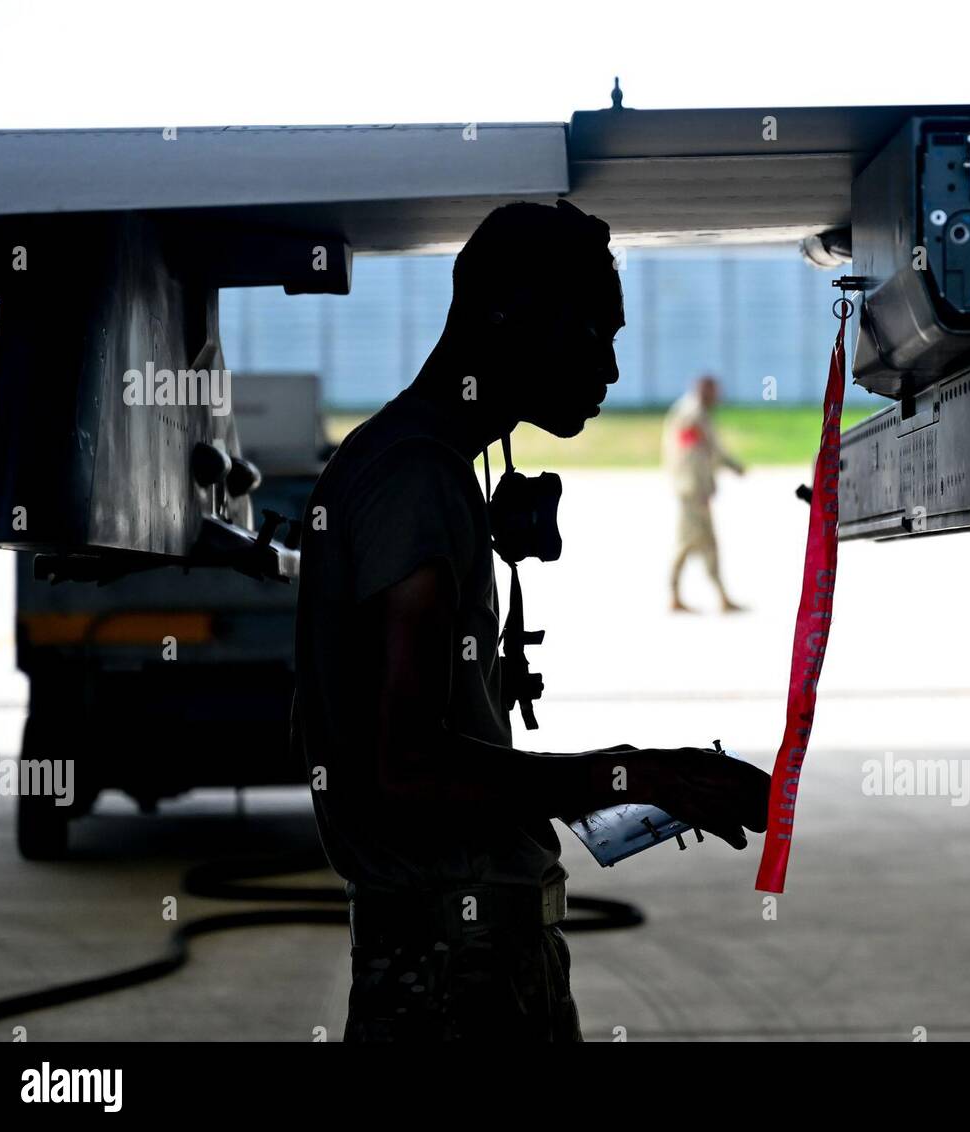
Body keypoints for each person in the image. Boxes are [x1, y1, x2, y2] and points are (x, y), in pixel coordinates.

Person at [291, 201, 769, 1043]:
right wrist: (638, 774)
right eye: (592, 332)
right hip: (459, 975)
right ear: (505, 316)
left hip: (459, 951)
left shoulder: (418, 466)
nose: (611, 370)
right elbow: (409, 767)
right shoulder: (418, 480)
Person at [663, 375, 746, 613]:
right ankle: (681, 595)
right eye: (714, 392)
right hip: (692, 490)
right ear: (704, 390)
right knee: (691, 542)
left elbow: (710, 451)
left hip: (695, 489)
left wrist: (731, 466)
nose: (717, 398)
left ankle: (718, 596)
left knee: (699, 542)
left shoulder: (697, 413)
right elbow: (689, 457)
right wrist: (698, 486)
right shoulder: (691, 416)